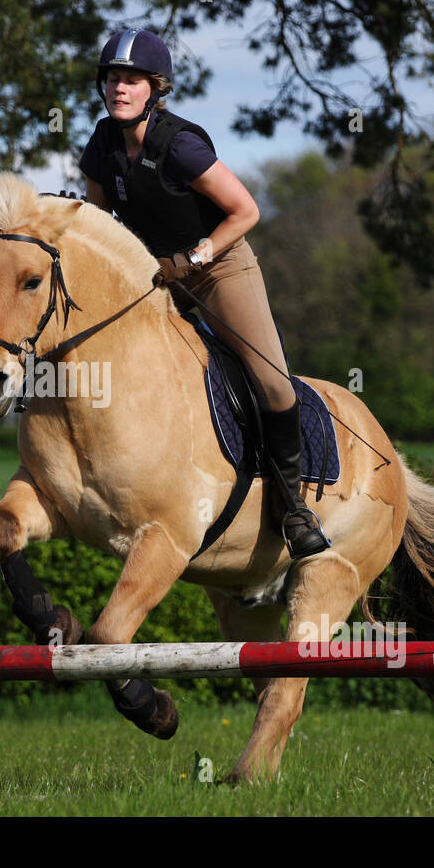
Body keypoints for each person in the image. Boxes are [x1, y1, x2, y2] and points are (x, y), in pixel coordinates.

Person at [78, 27, 330, 559]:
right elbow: (100, 225)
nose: (119, 89)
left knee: (273, 383)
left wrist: (192, 259)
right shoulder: (102, 144)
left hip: (218, 268)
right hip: (153, 273)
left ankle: (294, 509)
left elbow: (247, 211)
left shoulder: (181, 145)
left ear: (155, 88)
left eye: (131, 80)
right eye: (112, 79)